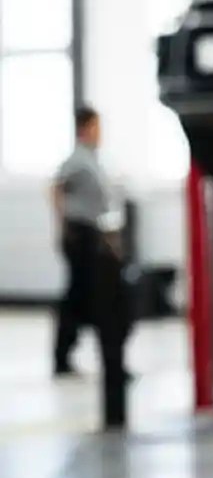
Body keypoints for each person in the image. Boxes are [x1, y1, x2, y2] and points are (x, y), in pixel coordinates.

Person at [50, 106, 112, 377]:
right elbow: (55, 188)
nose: (101, 133)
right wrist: (64, 226)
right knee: (78, 297)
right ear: (86, 128)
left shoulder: (92, 159)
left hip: (91, 231)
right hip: (79, 233)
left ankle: (107, 359)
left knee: (91, 297)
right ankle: (62, 357)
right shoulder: (77, 159)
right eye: (97, 126)